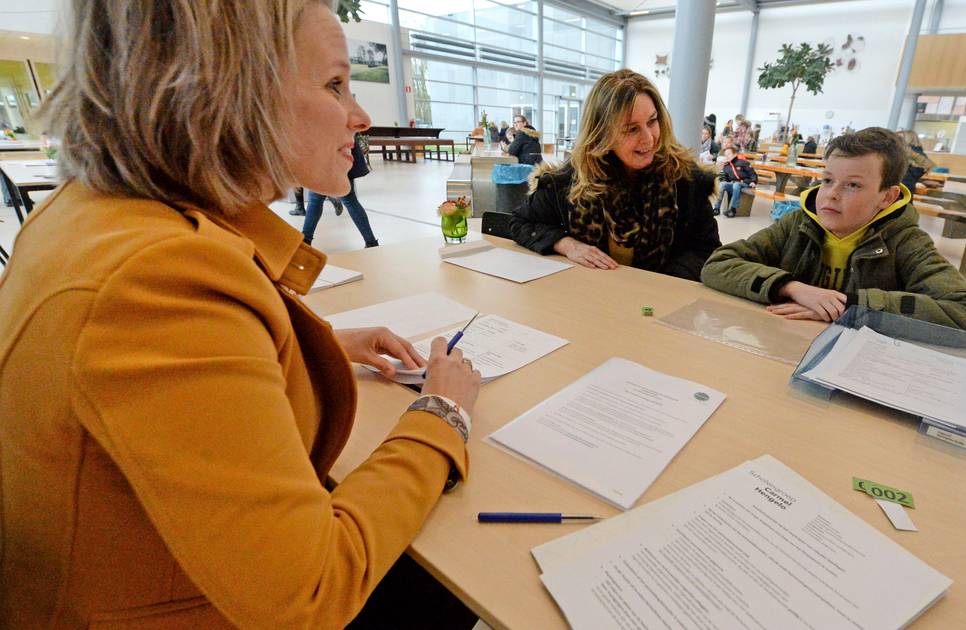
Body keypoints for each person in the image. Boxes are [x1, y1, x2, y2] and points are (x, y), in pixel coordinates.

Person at [0, 2, 483, 628]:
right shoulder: (156, 281)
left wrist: (322, 346)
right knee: (454, 576)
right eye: (335, 84)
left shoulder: (89, 214)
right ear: (231, 85)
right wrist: (441, 415)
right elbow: (311, 596)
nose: (359, 116)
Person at [700, 127, 966, 334]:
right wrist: (791, 288)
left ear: (886, 197)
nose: (831, 195)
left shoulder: (906, 241)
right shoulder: (798, 224)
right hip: (786, 345)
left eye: (852, 185)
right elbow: (718, 265)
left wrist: (849, 307)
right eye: (827, 180)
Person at [510, 69, 720, 281]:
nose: (649, 138)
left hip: (658, 304)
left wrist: (662, 284)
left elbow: (706, 248)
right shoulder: (570, 180)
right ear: (601, 133)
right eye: (631, 129)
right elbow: (520, 223)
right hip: (589, 299)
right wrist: (566, 244)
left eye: (652, 121)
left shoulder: (685, 179)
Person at [301, 132, 379, 247]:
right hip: (343, 154)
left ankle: (305, 241)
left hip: (326, 155)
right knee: (349, 200)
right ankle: (371, 242)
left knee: (315, 200)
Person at [713, 147, 758, 217]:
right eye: (726, 155)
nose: (727, 156)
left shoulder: (743, 162)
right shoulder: (726, 166)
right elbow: (726, 179)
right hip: (734, 185)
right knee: (722, 184)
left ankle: (733, 210)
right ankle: (716, 208)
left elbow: (752, 173)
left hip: (746, 183)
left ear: (735, 154)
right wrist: (722, 178)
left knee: (736, 184)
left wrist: (753, 181)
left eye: (729, 154)